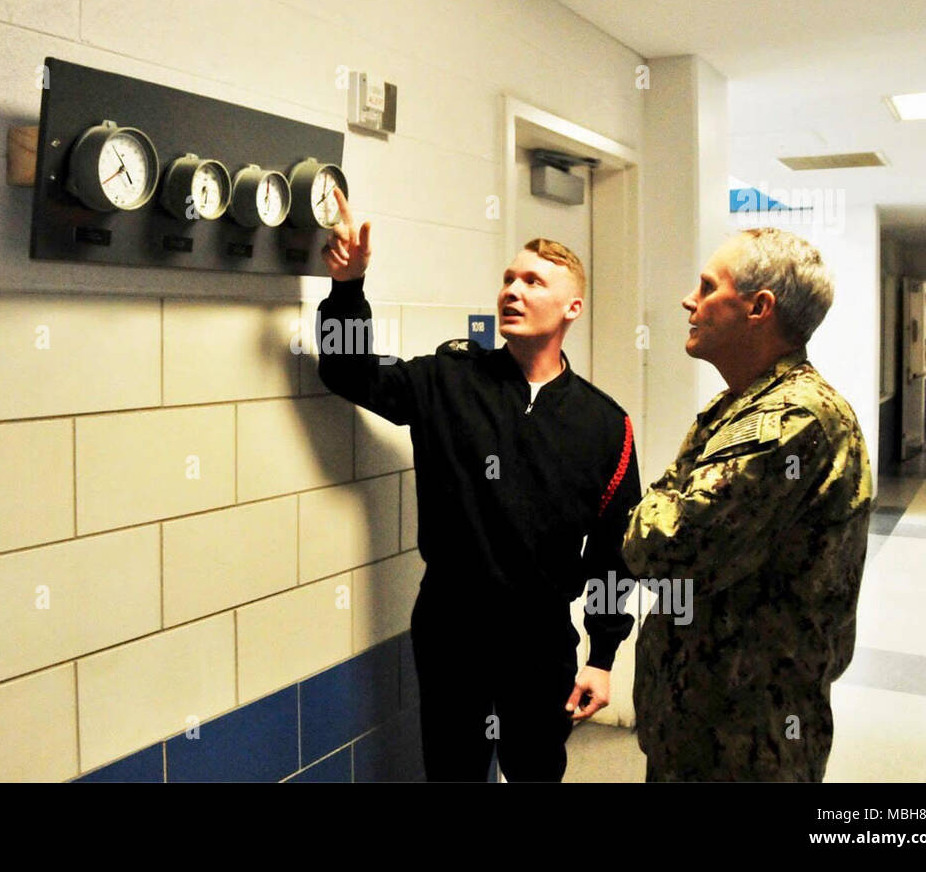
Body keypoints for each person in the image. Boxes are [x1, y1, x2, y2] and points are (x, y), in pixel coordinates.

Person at [316, 188, 641, 782]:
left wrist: (602, 656)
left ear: (572, 309)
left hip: (540, 637)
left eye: (535, 282)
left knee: (536, 771)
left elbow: (612, 552)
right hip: (450, 627)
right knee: (453, 771)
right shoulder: (448, 380)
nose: (513, 291)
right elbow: (348, 371)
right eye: (508, 279)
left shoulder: (605, 424)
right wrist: (347, 287)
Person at [623, 227, 872, 782]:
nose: (690, 300)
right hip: (702, 723)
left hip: (745, 743)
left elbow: (663, 549)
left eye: (709, 287)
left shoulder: (788, 421)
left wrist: (654, 508)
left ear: (759, 308)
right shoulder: (737, 405)